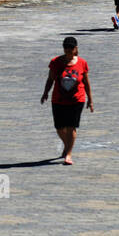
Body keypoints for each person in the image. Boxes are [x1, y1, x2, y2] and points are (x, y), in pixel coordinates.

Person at [41, 36, 94, 165]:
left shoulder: (82, 63)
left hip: (77, 100)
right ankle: (67, 145)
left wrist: (90, 100)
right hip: (58, 100)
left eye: (71, 49)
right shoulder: (55, 62)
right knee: (59, 127)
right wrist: (45, 93)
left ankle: (68, 154)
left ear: (76, 49)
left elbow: (86, 83)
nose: (68, 51)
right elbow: (50, 79)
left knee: (72, 127)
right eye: (66, 49)